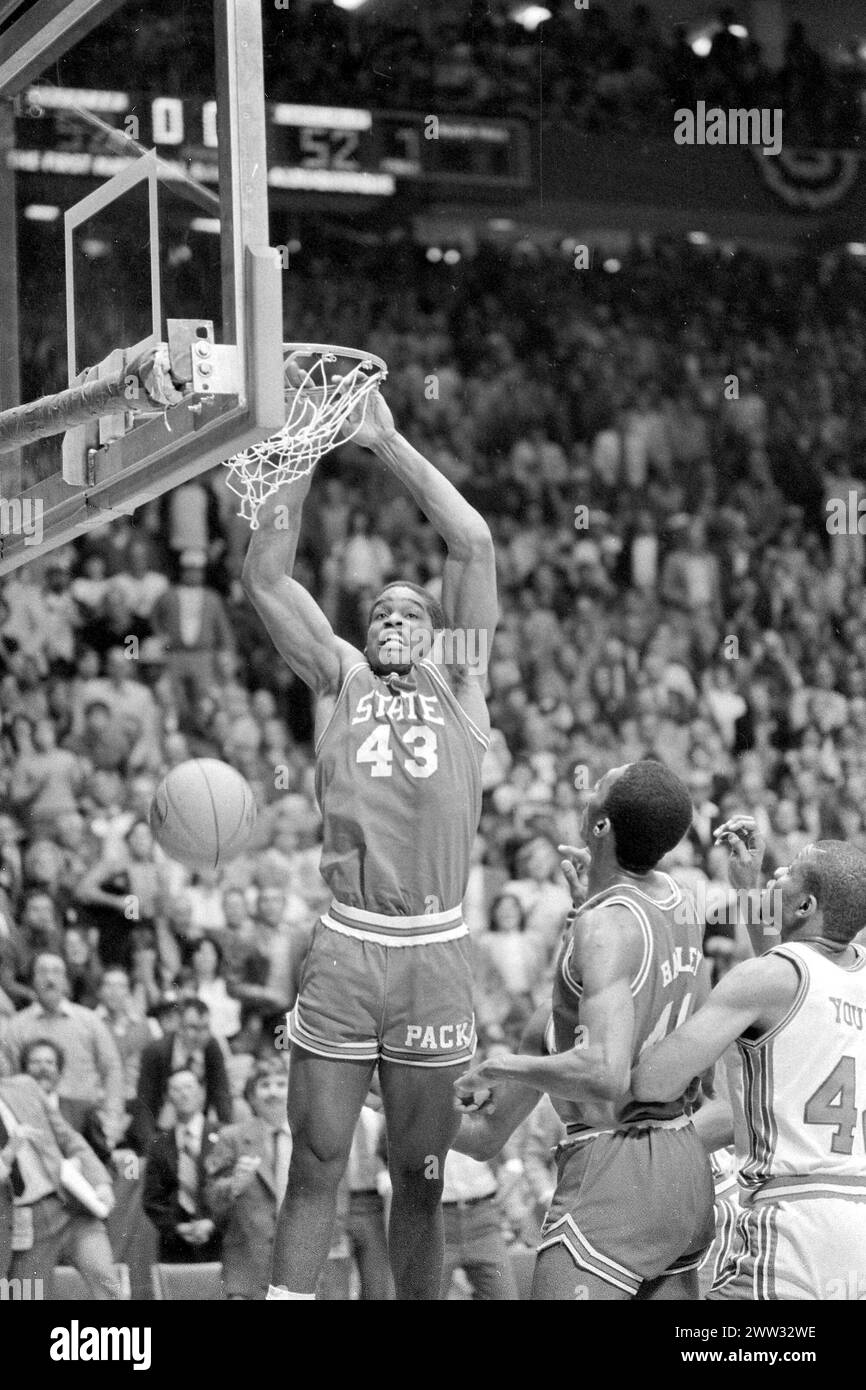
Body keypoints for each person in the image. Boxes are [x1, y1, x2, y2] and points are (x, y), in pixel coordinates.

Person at [242, 387, 497, 1300]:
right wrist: (297, 450)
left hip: (432, 950)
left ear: (436, 633)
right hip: (350, 944)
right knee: (316, 1160)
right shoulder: (336, 675)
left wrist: (385, 442)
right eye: (380, 611)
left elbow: (471, 543)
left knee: (419, 1178)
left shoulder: (462, 683)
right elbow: (268, 578)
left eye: (409, 612)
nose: (391, 619)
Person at [456, 761, 715, 1300]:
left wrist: (498, 1064)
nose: (588, 789)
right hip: (683, 1165)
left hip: (614, 1168)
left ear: (600, 828)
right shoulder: (677, 900)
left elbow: (604, 1071)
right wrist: (395, 1102)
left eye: (597, 787)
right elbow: (483, 1138)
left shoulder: (606, 928)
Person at [632, 820, 866, 1301]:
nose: (777, 870)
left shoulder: (762, 979)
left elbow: (653, 1082)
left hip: (790, 1219)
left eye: (790, 871)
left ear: (805, 906)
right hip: (854, 1217)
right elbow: (797, 978)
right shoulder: (850, 971)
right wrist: (749, 887)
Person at [0, 1063, 118, 1298]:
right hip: (22, 1224)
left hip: (68, 1206)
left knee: (109, 1285)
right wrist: (9, 1152)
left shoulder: (25, 1087)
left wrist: (100, 1182)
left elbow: (69, 1138)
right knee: (26, 1296)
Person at [0, 953, 126, 1153]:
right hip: (35, 1126)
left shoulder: (90, 1022)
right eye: (42, 972)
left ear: (65, 980)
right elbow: (10, 1078)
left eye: (56, 972)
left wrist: (111, 1120)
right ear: (33, 980)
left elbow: (112, 1070)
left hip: (86, 1123)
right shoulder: (17, 1026)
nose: (49, 979)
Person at [205, 1059, 293, 1300]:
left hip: (298, 1263)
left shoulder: (308, 1138)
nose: (273, 1092)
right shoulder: (231, 1137)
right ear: (251, 1096)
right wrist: (234, 1185)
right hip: (246, 1267)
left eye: (280, 1084)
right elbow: (211, 1199)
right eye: (264, 1085)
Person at [142, 1068, 222, 1263]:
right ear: (168, 1097)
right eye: (176, 1089)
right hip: (175, 1243)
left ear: (201, 1092)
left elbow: (232, 1190)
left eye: (188, 1087)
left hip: (219, 1240)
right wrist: (177, 1227)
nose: (184, 1094)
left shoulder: (224, 1135)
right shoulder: (158, 1144)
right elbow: (152, 1199)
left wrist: (212, 1222)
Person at [132, 998, 233, 1150]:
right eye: (193, 1027)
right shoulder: (156, 1051)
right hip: (163, 1123)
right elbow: (145, 1102)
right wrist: (150, 1145)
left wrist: (229, 1137)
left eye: (205, 1028)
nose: (200, 1035)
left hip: (199, 1124)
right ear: (179, 1026)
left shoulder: (211, 1047)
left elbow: (221, 1094)